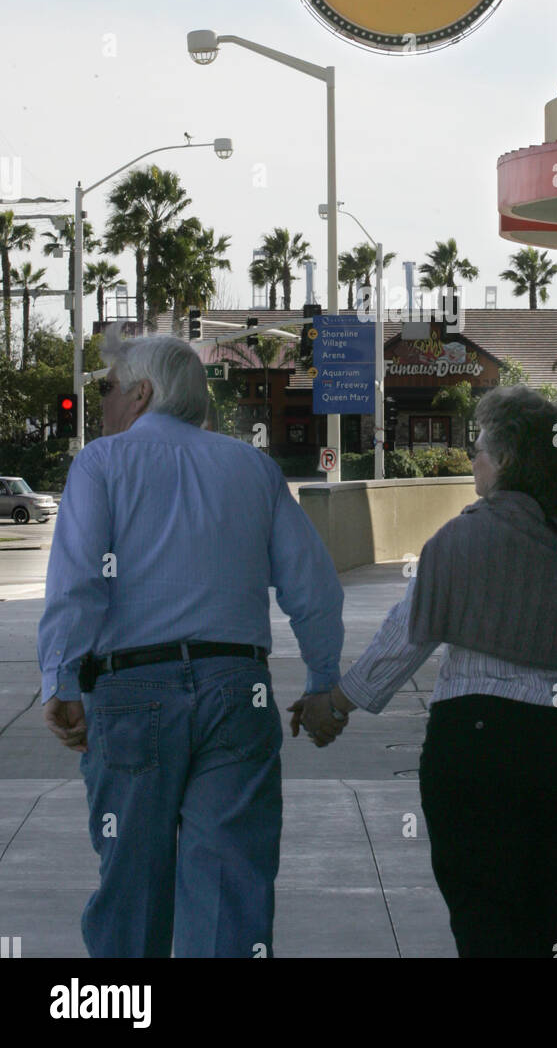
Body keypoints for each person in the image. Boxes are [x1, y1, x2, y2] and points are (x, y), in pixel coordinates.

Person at [292, 384, 557, 958]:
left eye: (478, 449)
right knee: (543, 904)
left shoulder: (461, 539)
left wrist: (335, 705)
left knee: (483, 907)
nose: (472, 459)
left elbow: (407, 636)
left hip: (480, 736)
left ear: (505, 461)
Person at [38, 330, 347, 959]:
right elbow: (312, 588)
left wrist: (61, 681)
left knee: (131, 888)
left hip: (130, 693)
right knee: (231, 885)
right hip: (238, 690)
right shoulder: (254, 469)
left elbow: (78, 584)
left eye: (107, 388)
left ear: (141, 393)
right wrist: (322, 681)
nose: (100, 403)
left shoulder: (101, 464)